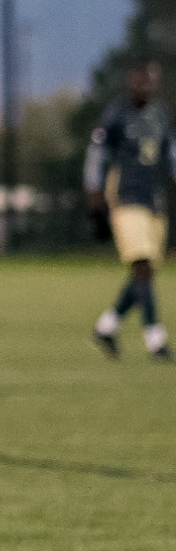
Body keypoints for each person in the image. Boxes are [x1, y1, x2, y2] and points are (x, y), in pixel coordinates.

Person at [88, 59, 175, 360]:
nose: (145, 85)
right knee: (142, 267)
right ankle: (155, 339)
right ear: (132, 81)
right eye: (141, 79)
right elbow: (97, 150)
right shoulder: (118, 114)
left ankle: (107, 326)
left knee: (144, 274)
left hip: (154, 201)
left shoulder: (160, 116)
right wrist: (93, 189)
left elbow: (170, 153)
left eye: (150, 80)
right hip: (126, 198)